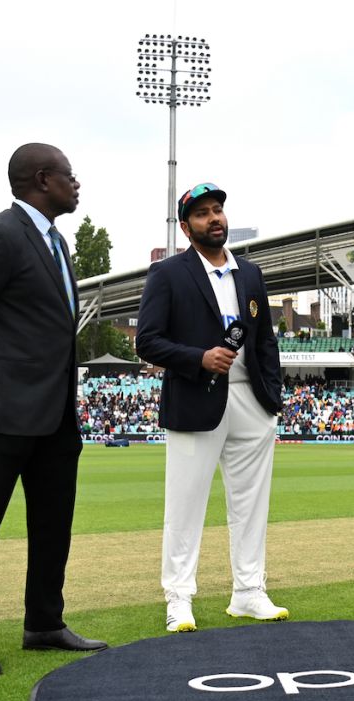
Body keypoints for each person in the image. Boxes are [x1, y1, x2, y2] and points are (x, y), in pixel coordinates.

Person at [0, 143, 106, 676]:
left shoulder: (57, 243)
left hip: (56, 413)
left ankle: (44, 623)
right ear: (41, 179)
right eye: (69, 176)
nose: (76, 184)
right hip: (2, 411)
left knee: (54, 523)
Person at [135, 182, 287, 633]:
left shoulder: (250, 273)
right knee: (184, 505)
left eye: (217, 210)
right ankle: (179, 598)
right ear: (186, 227)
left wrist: (272, 399)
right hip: (194, 396)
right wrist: (198, 358)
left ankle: (249, 592)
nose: (213, 218)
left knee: (251, 504)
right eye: (202, 213)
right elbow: (147, 340)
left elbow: (266, 341)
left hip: (251, 401)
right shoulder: (168, 274)